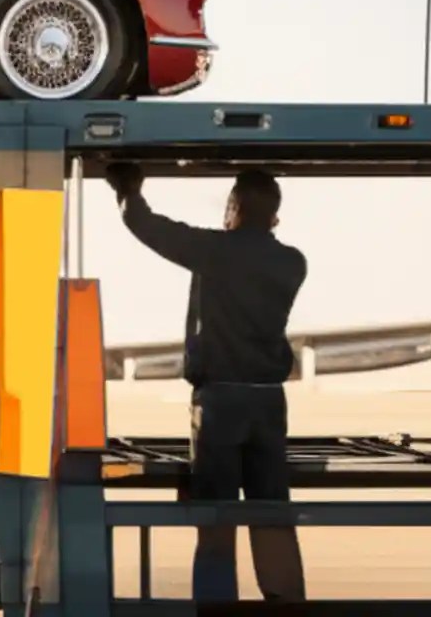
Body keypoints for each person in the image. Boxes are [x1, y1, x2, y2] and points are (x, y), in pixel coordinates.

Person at [104, 162, 307, 605]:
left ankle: (217, 608)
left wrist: (127, 188)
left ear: (233, 208)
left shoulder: (213, 250)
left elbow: (144, 224)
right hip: (270, 403)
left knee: (216, 515)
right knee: (272, 514)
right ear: (274, 217)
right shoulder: (293, 263)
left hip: (220, 402)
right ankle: (286, 603)